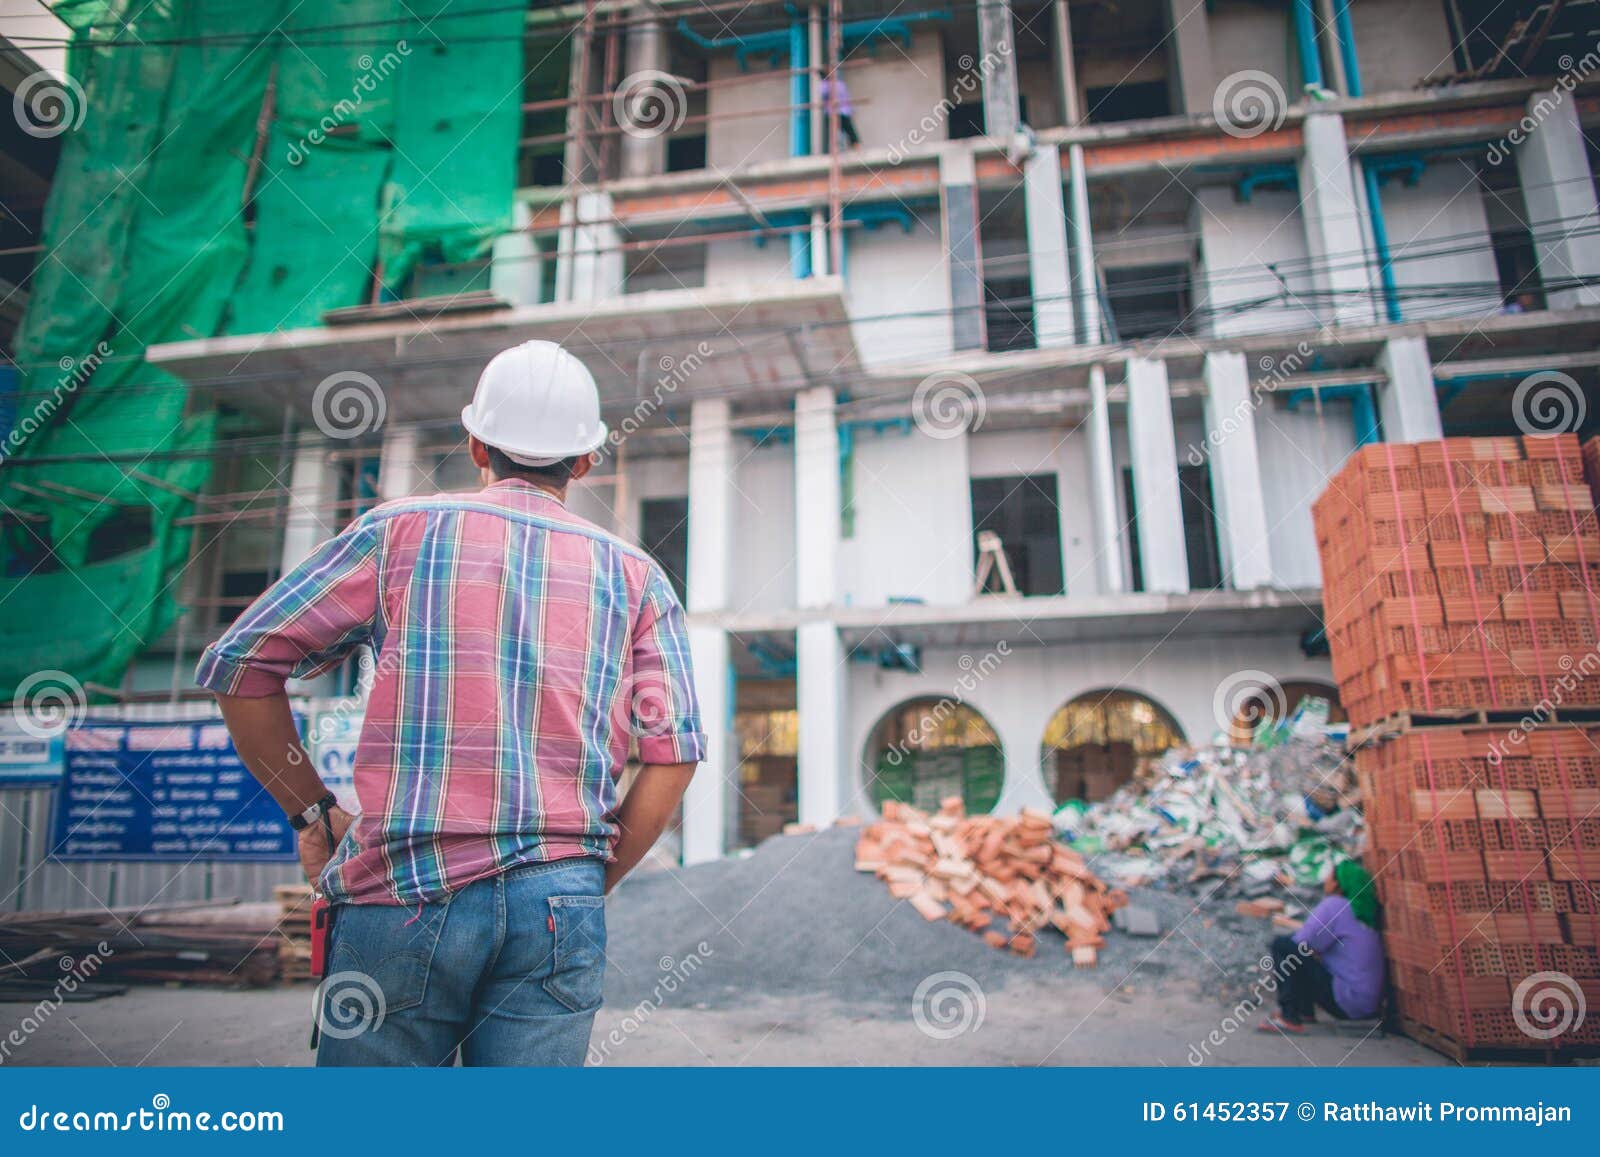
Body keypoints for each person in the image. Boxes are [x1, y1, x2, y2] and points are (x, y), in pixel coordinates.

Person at [196, 340, 704, 1067]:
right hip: (558, 904)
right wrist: (582, 878)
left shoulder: (396, 532)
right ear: (588, 460)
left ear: (475, 444)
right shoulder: (638, 576)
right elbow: (673, 756)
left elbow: (241, 667)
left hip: (399, 890)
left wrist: (312, 810)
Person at [1259, 859, 1385, 1034]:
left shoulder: (1335, 905)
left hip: (1347, 1000)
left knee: (1283, 945)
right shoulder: (1362, 911)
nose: (1325, 880)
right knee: (1302, 954)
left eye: (1329, 877)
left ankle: (1289, 1016)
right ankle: (1304, 1011)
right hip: (1365, 1003)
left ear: (1338, 884)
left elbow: (1301, 942)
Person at [820, 70, 859, 148]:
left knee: (837, 132)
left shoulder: (826, 85)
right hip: (841, 111)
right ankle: (855, 147)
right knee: (848, 131)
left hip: (834, 112)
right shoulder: (840, 84)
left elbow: (824, 94)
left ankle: (853, 147)